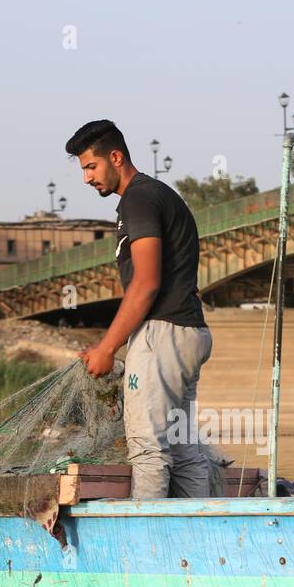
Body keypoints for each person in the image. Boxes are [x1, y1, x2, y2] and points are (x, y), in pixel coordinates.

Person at [65, 119, 212, 499]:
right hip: (189, 334)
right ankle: (198, 538)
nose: (86, 178)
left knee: (148, 448)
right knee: (182, 448)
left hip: (162, 335)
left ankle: (147, 544)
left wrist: (106, 349)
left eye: (91, 167)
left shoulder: (139, 199)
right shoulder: (158, 195)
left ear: (116, 157)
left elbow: (146, 283)